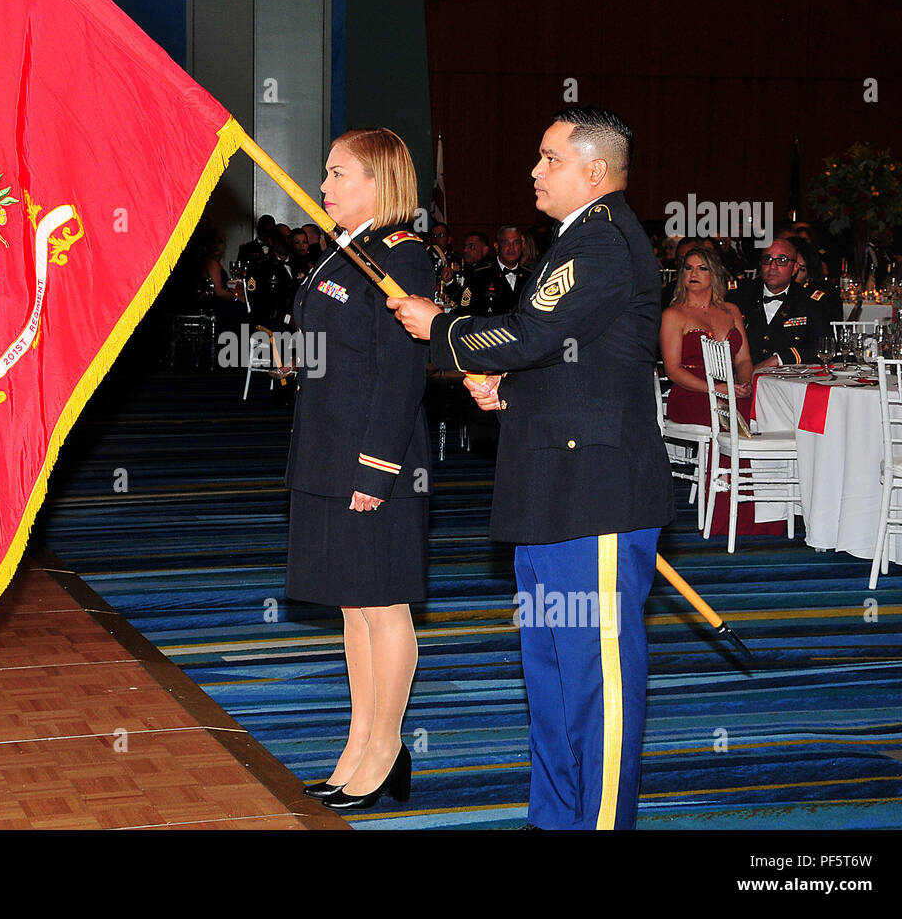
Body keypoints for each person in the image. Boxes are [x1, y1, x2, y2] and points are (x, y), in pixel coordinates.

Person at [387, 106, 674, 829]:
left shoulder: (605, 242)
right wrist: (508, 387)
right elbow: (566, 352)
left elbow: (535, 331)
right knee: (549, 677)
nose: (534, 171)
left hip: (596, 493)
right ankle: (554, 819)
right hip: (552, 484)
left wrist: (442, 326)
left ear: (594, 172)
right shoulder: (574, 241)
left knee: (596, 683)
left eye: (550, 158)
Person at [286, 127, 434, 811]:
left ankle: (386, 749)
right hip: (327, 448)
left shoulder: (401, 257)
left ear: (378, 182)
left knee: (383, 605)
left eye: (337, 174)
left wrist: (376, 471)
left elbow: (401, 376)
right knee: (353, 606)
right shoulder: (347, 252)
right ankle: (357, 745)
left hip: (376, 458)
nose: (323, 187)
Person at [661, 245, 783, 537]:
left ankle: (771, 512)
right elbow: (673, 370)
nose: (694, 274)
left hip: (731, 388)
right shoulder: (674, 314)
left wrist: (743, 383)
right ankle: (728, 518)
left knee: (767, 413)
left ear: (714, 275)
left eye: (702, 268)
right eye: (688, 268)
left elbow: (743, 360)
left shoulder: (731, 311)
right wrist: (716, 389)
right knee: (728, 419)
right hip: (691, 392)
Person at [733, 238, 834, 368]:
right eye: (767, 259)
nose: (772, 266)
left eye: (782, 260)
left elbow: (824, 348)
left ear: (794, 268)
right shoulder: (740, 297)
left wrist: (779, 359)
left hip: (787, 381)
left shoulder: (810, 302)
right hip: (740, 381)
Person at [483, 225, 532, 314]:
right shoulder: (480, 276)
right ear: (497, 246)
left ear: (522, 246)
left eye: (516, 242)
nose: (511, 248)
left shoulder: (531, 277)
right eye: (506, 243)